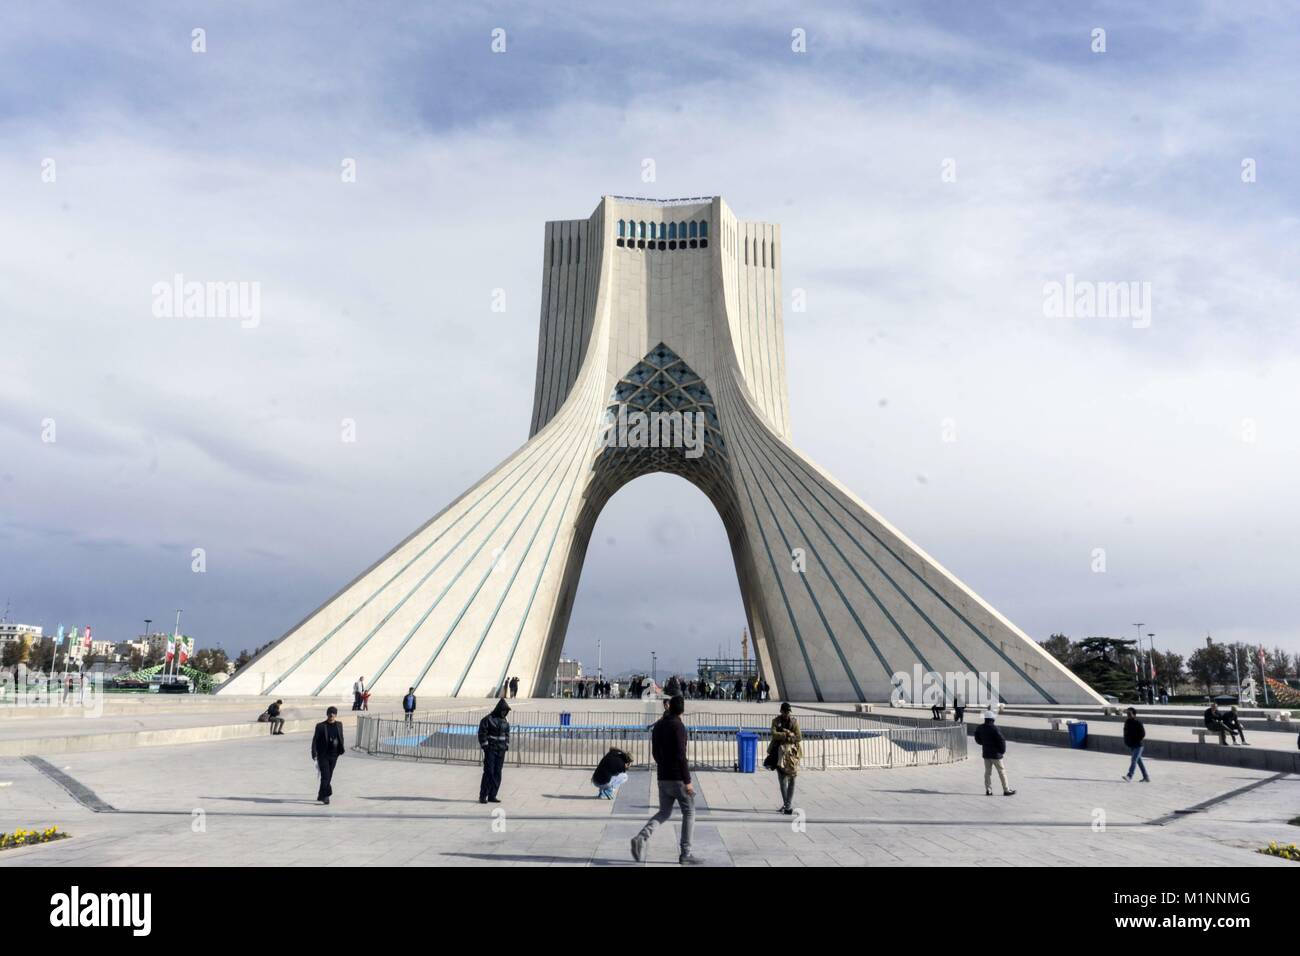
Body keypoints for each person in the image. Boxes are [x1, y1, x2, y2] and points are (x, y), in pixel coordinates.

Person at [631, 695, 701, 865]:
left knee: (664, 812)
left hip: (662, 776)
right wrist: (688, 781)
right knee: (689, 812)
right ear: (682, 710)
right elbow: (681, 756)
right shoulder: (679, 727)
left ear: (669, 707)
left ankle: (642, 837)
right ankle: (686, 853)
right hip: (678, 778)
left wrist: (663, 766)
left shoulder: (659, 725)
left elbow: (655, 752)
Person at [768, 702, 802, 814]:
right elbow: (773, 733)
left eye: (789, 712)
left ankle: (787, 805)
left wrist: (789, 736)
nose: (787, 714)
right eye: (786, 712)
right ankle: (787, 805)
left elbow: (799, 737)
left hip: (792, 754)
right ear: (781, 711)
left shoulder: (794, 722)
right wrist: (786, 734)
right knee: (782, 780)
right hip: (779, 753)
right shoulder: (776, 721)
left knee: (792, 778)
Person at [973, 710, 1015, 796]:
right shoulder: (995, 728)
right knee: (1001, 772)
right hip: (996, 755)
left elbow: (977, 738)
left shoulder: (980, 727)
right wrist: (1002, 751)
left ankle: (988, 790)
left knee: (987, 772)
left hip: (986, 754)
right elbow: (1002, 740)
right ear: (992, 719)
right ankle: (1006, 790)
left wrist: (982, 743)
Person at [477, 698, 511, 804]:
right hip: (491, 750)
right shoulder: (487, 719)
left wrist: (506, 745)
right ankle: (483, 795)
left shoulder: (505, 722)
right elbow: (482, 733)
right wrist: (485, 746)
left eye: (506, 711)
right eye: (503, 710)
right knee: (489, 772)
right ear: (498, 709)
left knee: (497, 773)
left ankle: (492, 795)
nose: (504, 713)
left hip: (501, 750)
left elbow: (507, 735)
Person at [310, 706, 345, 805]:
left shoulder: (339, 725)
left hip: (334, 755)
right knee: (326, 776)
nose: (331, 715)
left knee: (329, 776)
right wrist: (314, 753)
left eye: (333, 713)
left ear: (336, 715)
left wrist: (341, 749)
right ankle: (326, 796)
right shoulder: (320, 726)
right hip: (323, 755)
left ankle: (321, 795)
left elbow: (341, 737)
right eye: (330, 713)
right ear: (327, 714)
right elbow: (315, 740)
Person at [1122, 707, 1150, 782]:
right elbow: (1125, 733)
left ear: (1134, 714)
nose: (1128, 715)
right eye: (1127, 714)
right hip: (1132, 745)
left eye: (1129, 714)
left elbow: (1143, 734)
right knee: (1139, 762)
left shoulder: (1138, 722)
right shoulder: (1127, 722)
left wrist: (1136, 739)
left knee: (1134, 759)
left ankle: (1129, 776)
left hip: (1139, 745)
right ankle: (1146, 777)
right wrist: (1127, 741)